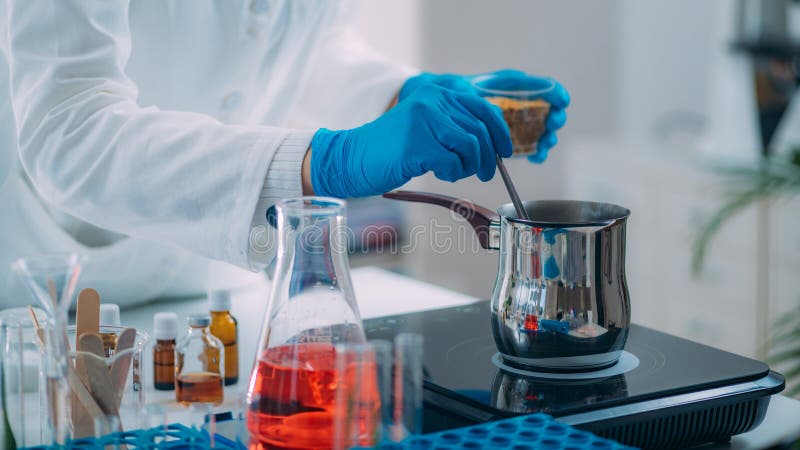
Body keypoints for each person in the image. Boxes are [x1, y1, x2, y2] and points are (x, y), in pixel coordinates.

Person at [0, 1, 568, 306]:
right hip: (44, 301)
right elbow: (68, 126)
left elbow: (305, 43)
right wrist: (321, 162)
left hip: (219, 290)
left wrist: (401, 95)